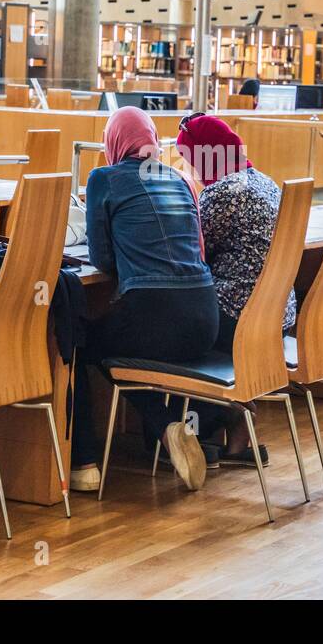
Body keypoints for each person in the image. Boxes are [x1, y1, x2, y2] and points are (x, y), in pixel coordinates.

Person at [70, 106, 219, 493]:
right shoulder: (180, 179)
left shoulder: (104, 178)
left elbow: (102, 259)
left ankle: (84, 463)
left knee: (80, 343)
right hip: (205, 318)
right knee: (127, 342)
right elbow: (198, 252)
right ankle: (170, 431)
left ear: (113, 143)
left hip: (154, 318)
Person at [174, 113, 297, 468]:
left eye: (189, 159)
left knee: (173, 322)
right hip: (275, 320)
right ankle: (227, 429)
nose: (189, 169)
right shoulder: (265, 182)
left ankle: (200, 431)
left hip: (237, 320)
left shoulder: (222, 193)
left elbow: (191, 252)